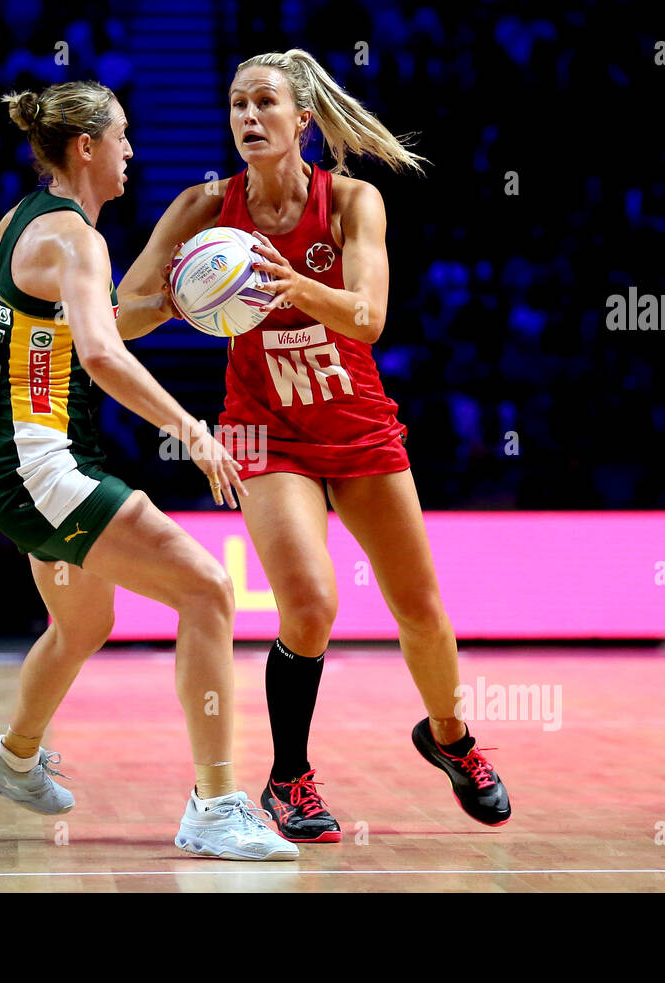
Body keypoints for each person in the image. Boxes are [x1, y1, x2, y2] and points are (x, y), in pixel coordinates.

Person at [0, 80, 298, 861]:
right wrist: (191, 429)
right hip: (44, 468)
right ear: (86, 148)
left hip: (18, 464)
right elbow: (99, 353)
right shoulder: (77, 241)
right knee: (207, 589)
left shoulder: (26, 223)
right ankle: (216, 803)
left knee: (87, 622)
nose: (133, 150)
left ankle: (13, 756)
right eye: (122, 136)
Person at [118, 50, 511, 842]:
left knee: (423, 613)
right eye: (235, 104)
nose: (247, 117)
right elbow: (121, 315)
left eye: (264, 102)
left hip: (359, 424)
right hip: (265, 433)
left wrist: (288, 282)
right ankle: (287, 780)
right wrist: (185, 296)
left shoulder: (353, 202)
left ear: (302, 119)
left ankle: (450, 738)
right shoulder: (204, 207)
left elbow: (368, 317)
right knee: (309, 605)